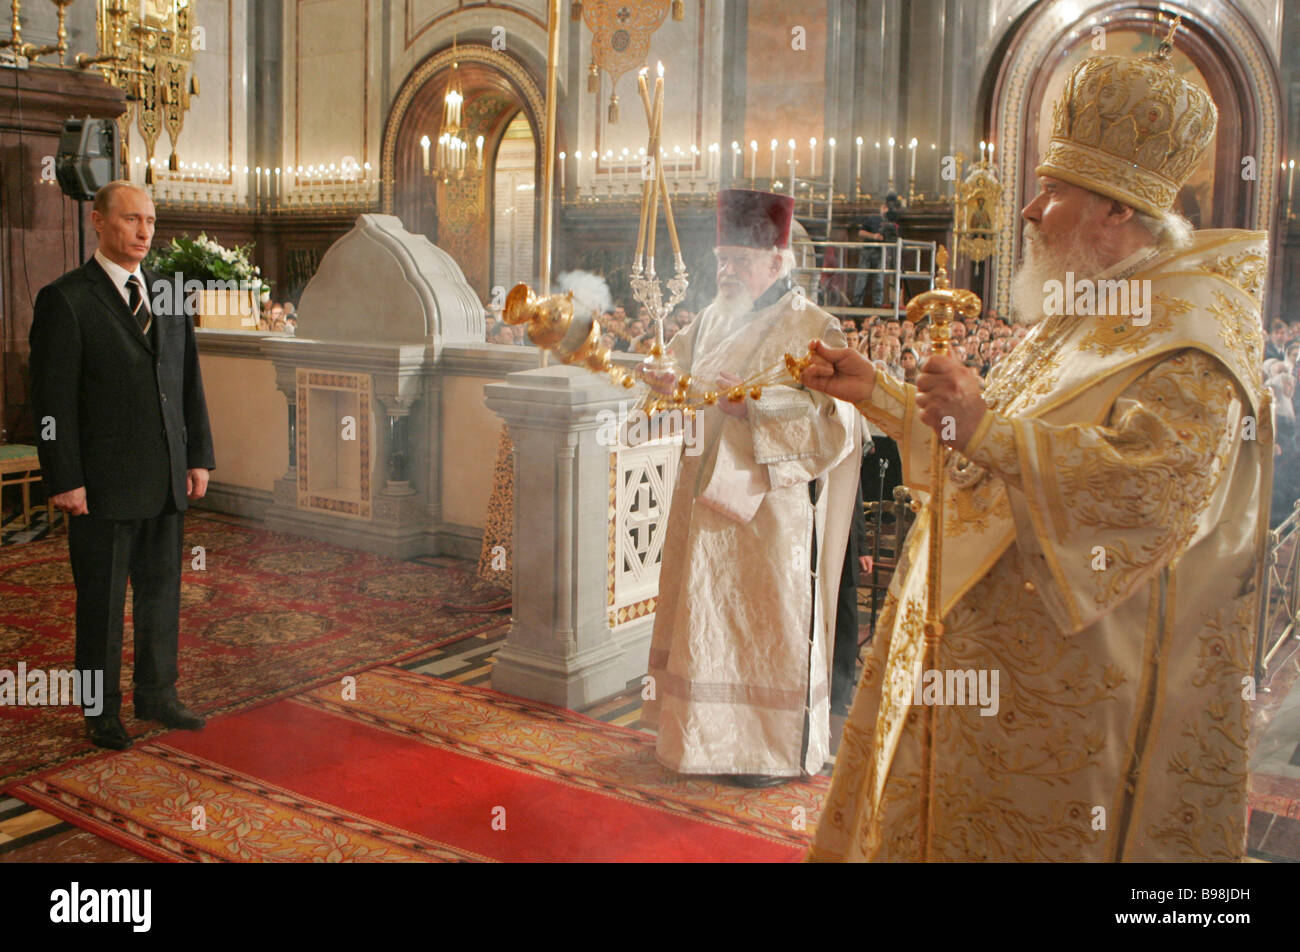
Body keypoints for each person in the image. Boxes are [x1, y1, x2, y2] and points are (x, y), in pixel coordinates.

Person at [801, 46, 1270, 861]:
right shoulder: (1083, 308)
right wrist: (874, 392)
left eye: (1052, 190)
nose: (1028, 209)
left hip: (1064, 694)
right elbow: (982, 454)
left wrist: (986, 429)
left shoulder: (1193, 329)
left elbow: (1156, 495)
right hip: (974, 666)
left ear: (1117, 210)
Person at [642, 189, 860, 786]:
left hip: (770, 515)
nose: (726, 270)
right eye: (721, 258)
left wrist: (756, 408)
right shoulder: (711, 319)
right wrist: (664, 380)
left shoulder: (816, 327)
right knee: (706, 620)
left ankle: (765, 750)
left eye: (739, 259)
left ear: (775, 263)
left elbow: (836, 419)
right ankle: (702, 744)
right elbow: (686, 381)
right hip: (704, 501)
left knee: (764, 628)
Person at [29, 181, 216, 751]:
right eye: (132, 219)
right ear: (99, 222)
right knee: (102, 604)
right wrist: (65, 478)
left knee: (162, 593)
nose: (144, 232)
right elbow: (51, 402)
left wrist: (199, 457)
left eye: (151, 221)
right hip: (101, 485)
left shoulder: (167, 292)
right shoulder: (65, 299)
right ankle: (99, 710)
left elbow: (187, 381)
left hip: (166, 477)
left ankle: (157, 694)